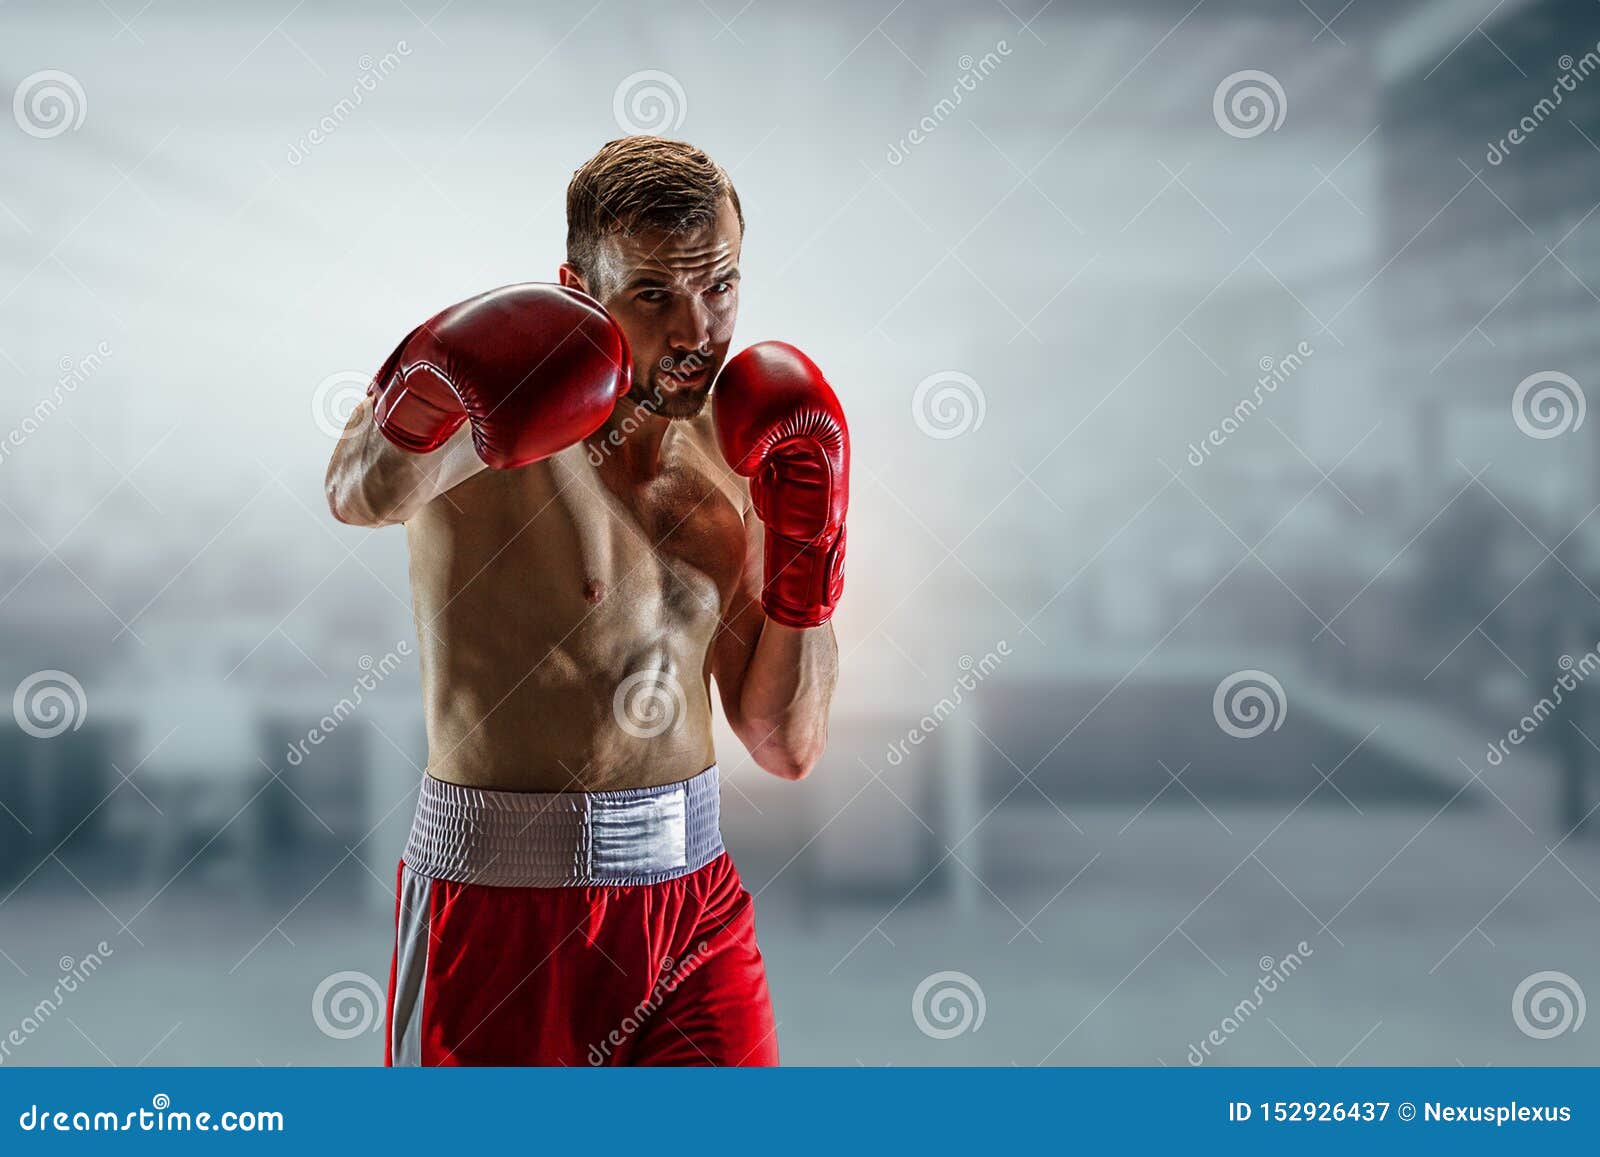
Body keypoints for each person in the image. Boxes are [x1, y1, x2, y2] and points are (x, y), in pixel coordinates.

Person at [324, 135, 848, 1066]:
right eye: (654, 294)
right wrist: (435, 380)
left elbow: (784, 741)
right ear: (577, 287)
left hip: (694, 907)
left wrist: (813, 551)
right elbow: (357, 493)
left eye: (719, 285)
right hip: (499, 907)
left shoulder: (743, 458)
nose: (697, 331)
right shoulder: (500, 421)